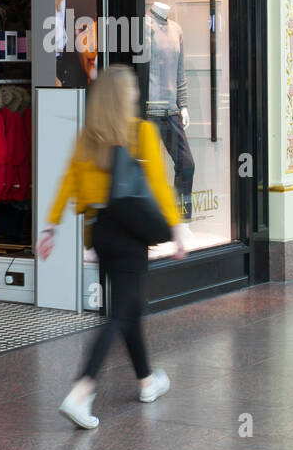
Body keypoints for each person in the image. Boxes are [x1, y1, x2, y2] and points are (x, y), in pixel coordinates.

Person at [38, 65, 187, 430]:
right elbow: (159, 186)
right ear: (123, 97)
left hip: (102, 231)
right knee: (119, 313)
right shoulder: (141, 133)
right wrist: (177, 227)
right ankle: (81, 390)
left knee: (126, 306)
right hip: (131, 231)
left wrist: (51, 226)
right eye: (132, 89)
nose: (136, 94)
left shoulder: (87, 139)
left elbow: (68, 181)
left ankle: (147, 381)